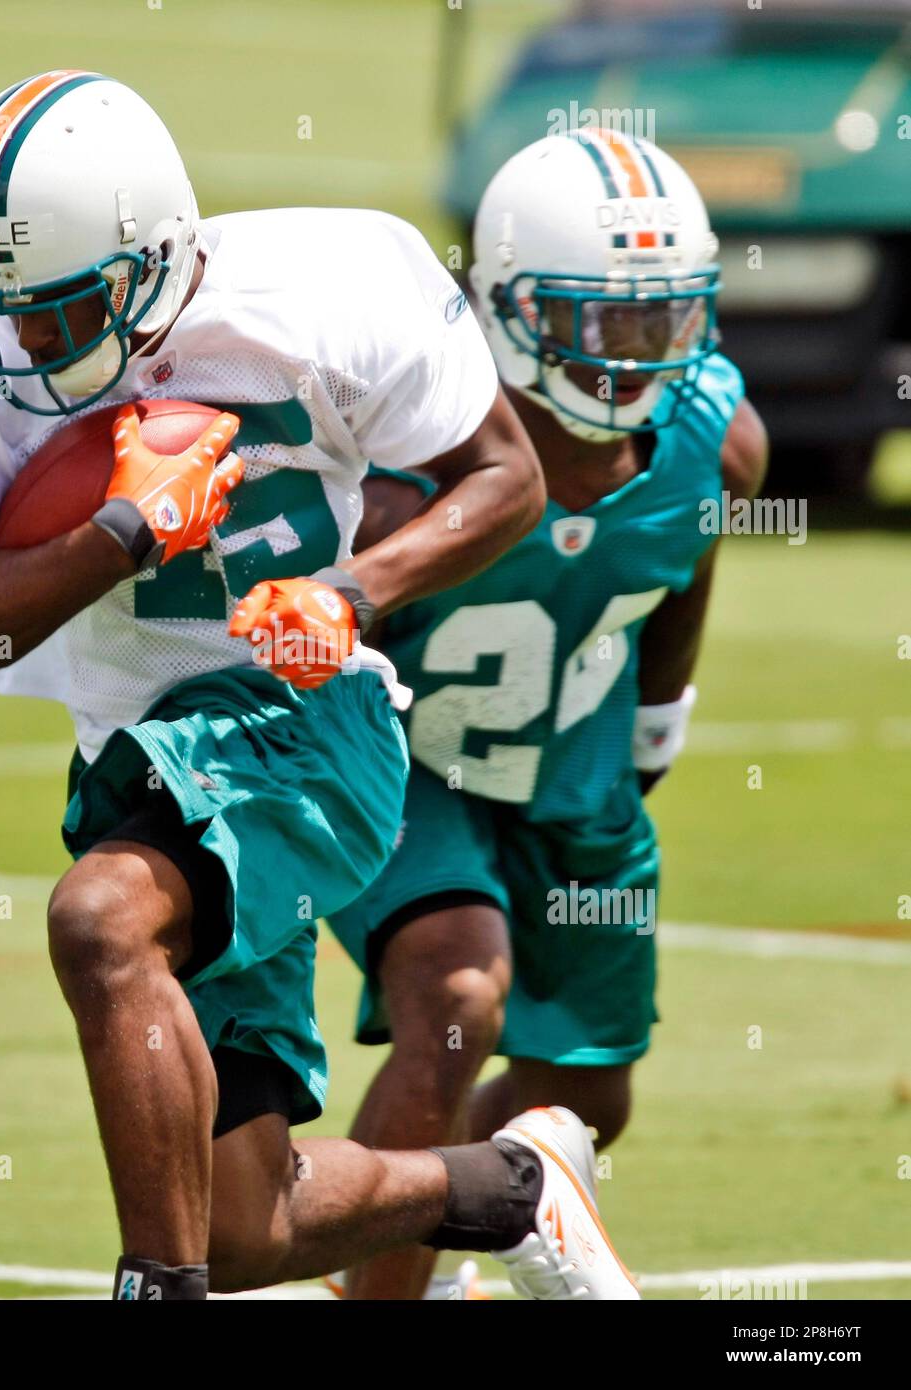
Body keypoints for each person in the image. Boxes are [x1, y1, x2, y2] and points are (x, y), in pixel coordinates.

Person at [0, 71, 637, 1299]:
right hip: (139, 753)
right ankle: (515, 1188)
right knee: (246, 1229)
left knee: (100, 919)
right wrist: (123, 531)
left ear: (153, 258)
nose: (21, 343)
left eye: (60, 310)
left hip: (306, 722)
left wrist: (356, 592)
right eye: (2, 308)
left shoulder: (330, 290)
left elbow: (505, 480)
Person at [329, 129, 768, 1299]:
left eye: (662, 319)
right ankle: (384, 1279)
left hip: (577, 775)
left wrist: (660, 715)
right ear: (511, 309)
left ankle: (434, 1213)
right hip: (413, 765)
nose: (635, 356)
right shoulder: (417, 458)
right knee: (455, 997)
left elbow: (682, 565)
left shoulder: (714, 442)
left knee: (585, 1096)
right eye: (604, 322)